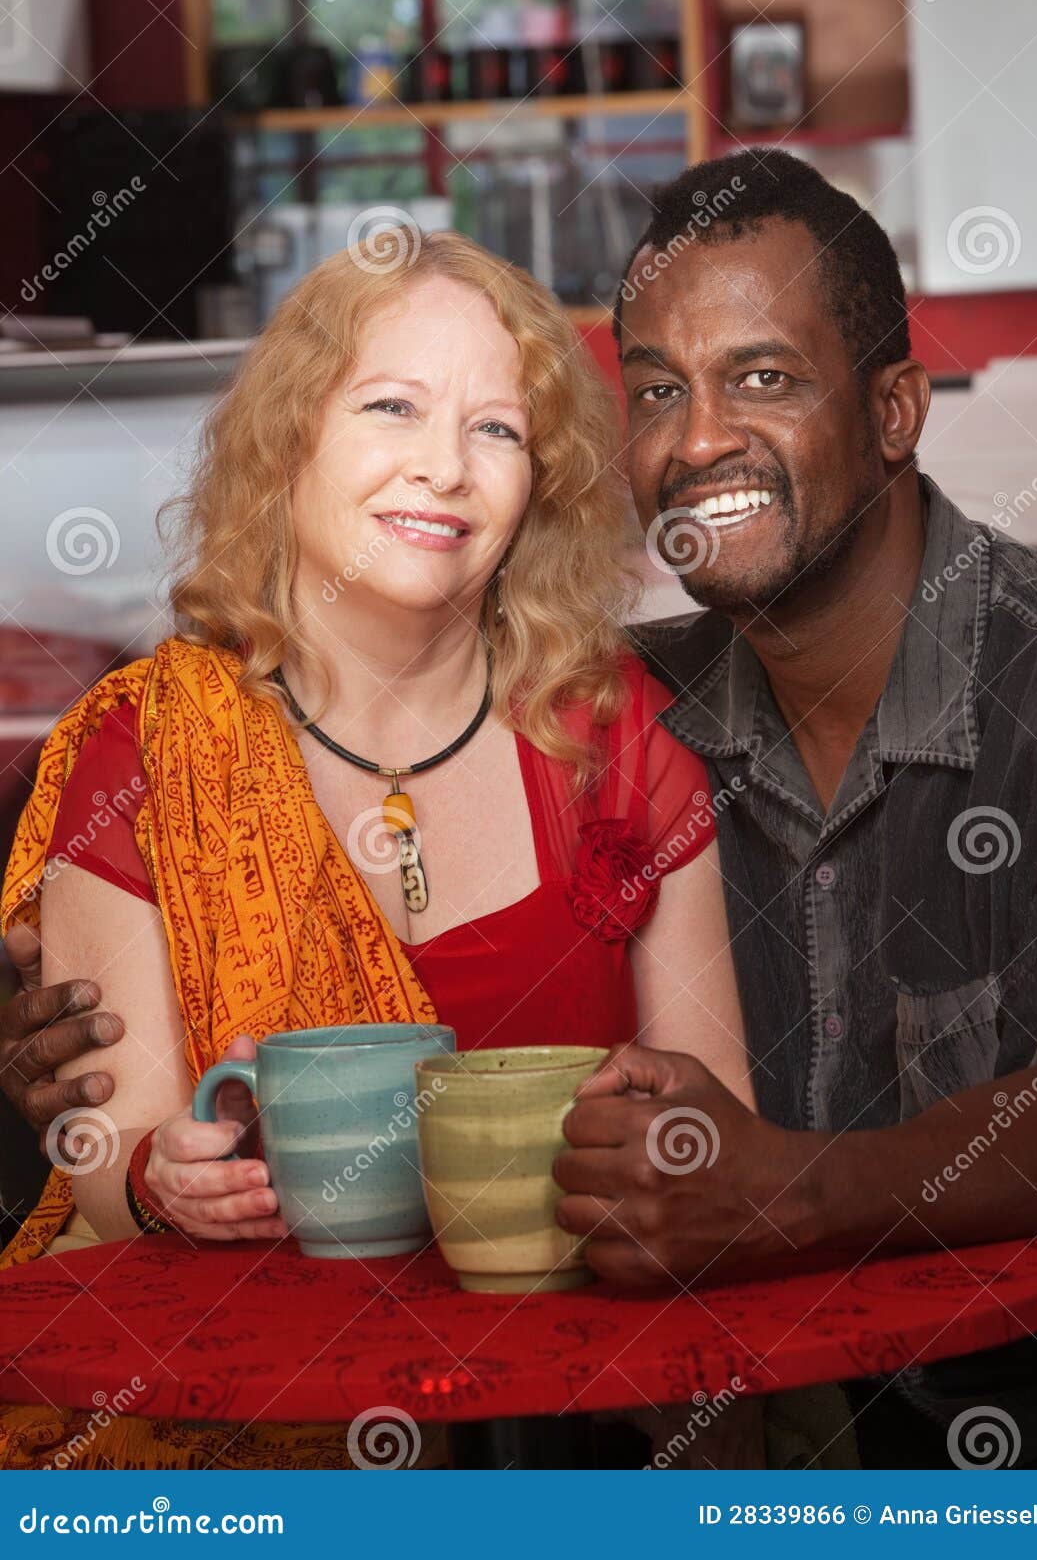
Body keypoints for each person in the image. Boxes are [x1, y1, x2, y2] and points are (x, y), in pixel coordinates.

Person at [0, 229, 749, 1469]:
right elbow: (104, 1155)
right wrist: (159, 1179)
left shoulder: (618, 739)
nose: (444, 467)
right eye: (390, 406)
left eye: (496, 429)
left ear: (540, 483)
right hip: (242, 1414)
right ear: (290, 437)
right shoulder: (145, 746)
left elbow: (717, 1132)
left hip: (563, 1415)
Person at [550, 149, 1037, 1468]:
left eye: (761, 378)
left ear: (892, 410)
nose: (695, 440)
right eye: (656, 390)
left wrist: (789, 1195)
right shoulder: (617, 716)